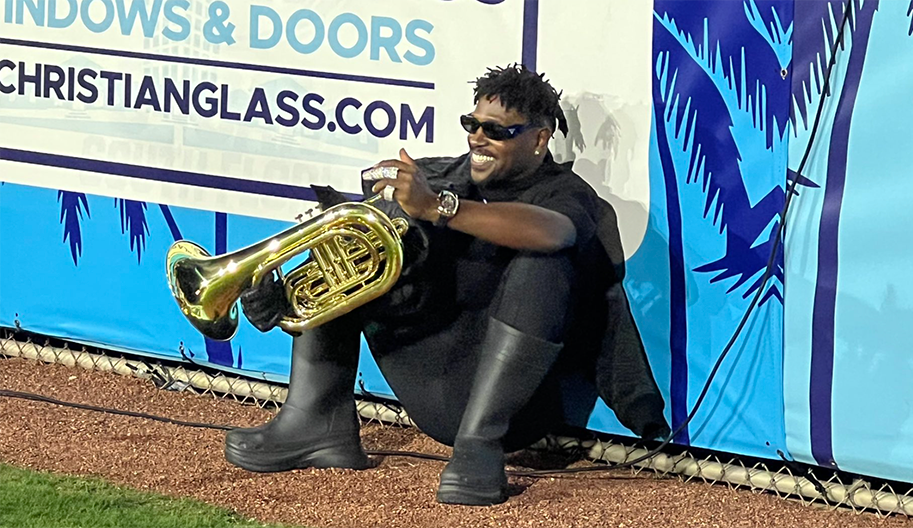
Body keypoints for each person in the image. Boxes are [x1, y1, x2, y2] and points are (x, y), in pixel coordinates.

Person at [227, 64, 670, 506]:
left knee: (544, 261)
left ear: (539, 139)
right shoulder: (438, 176)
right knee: (358, 236)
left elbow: (552, 233)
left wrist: (439, 208)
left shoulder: (566, 193)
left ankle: (479, 446)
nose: (478, 137)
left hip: (521, 411)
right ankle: (316, 420)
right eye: (471, 124)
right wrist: (282, 298)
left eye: (496, 130)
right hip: (432, 378)